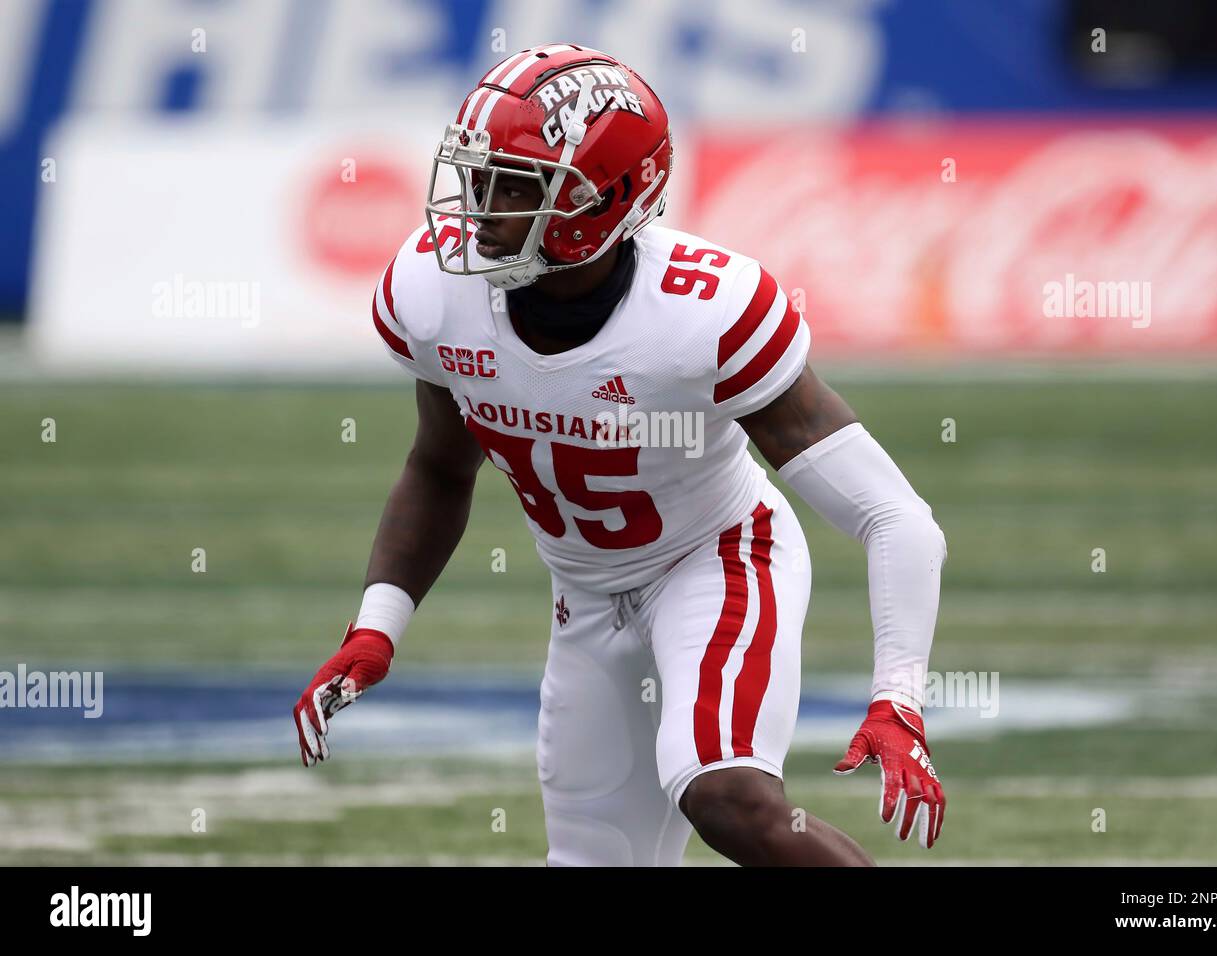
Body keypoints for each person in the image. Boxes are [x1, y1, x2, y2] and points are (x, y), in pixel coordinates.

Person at [293, 43, 947, 866]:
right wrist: (376, 628)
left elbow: (896, 518)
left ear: (604, 201)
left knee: (729, 799)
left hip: (717, 559)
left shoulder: (702, 315)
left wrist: (899, 702)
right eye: (479, 177)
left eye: (516, 187)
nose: (480, 209)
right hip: (585, 598)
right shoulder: (435, 295)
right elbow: (439, 465)